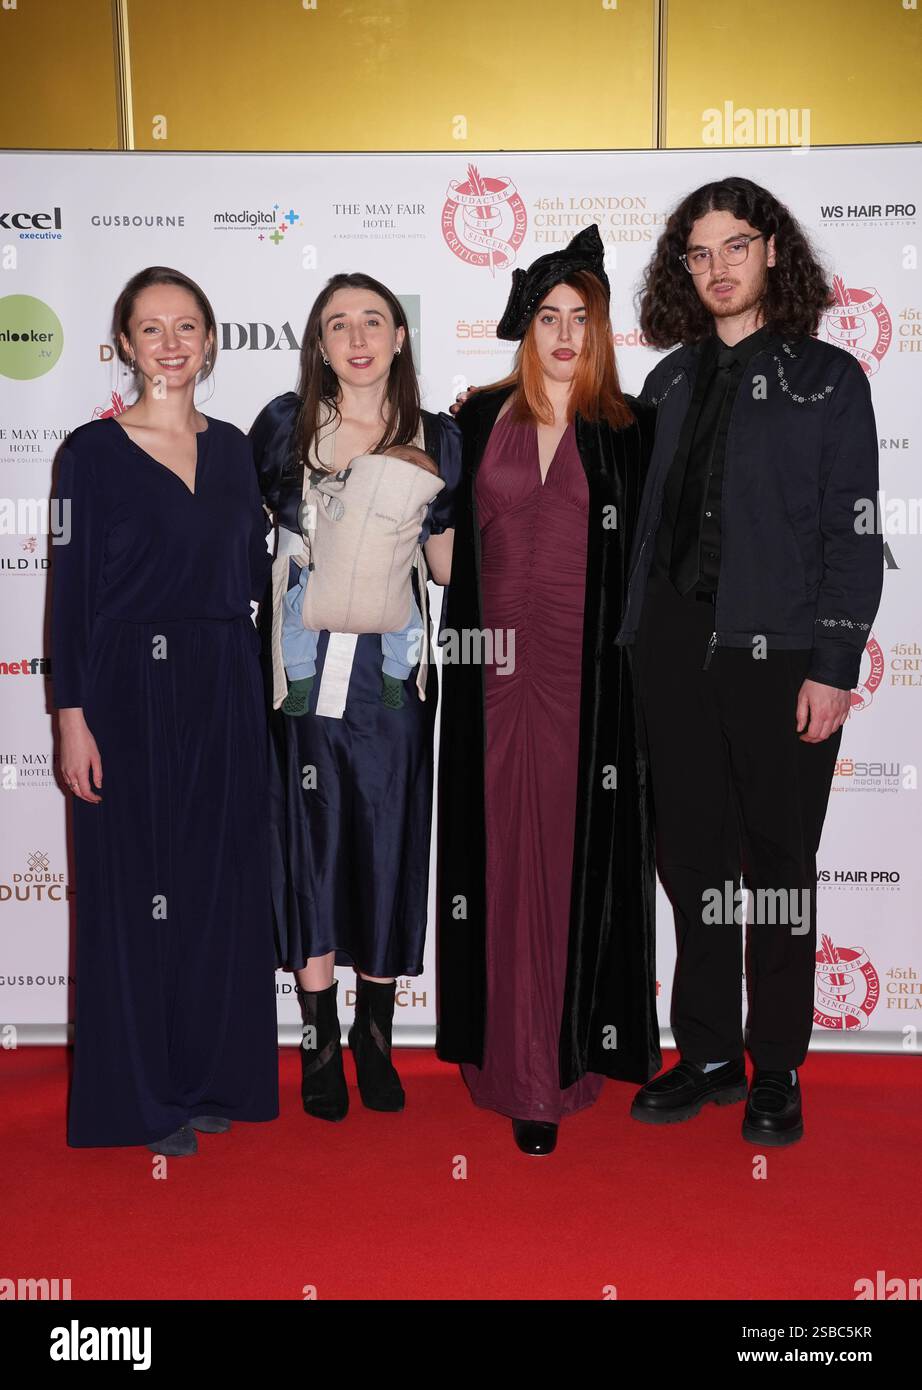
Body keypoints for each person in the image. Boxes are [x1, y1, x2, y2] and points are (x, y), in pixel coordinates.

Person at [617, 177, 883, 1145]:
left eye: (735, 246)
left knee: (775, 865)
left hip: (779, 662)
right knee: (690, 864)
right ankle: (711, 1053)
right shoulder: (668, 383)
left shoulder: (829, 379)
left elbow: (854, 538)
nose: (717, 268)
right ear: (683, 271)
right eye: (698, 254)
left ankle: (777, 1066)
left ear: (772, 251)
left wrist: (833, 662)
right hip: (673, 649)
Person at [436, 224, 660, 1156]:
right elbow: (443, 552)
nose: (565, 334)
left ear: (601, 331)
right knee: (497, 867)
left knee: (568, 874)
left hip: (585, 689)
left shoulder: (633, 431)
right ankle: (503, 1064)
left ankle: (555, 1070)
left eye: (582, 318)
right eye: (549, 318)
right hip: (489, 681)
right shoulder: (477, 417)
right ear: (526, 328)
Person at [51, 266, 279, 1156]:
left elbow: (261, 574)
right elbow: (68, 594)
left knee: (216, 888)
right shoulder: (88, 453)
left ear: (212, 341)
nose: (172, 343)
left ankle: (210, 1076)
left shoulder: (234, 450)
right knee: (131, 892)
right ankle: (145, 1100)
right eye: (152, 329)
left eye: (188, 327)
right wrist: (71, 714)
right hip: (124, 689)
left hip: (222, 682)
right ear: (125, 346)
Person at [250, 272, 460, 1122]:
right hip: (302, 678)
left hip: (392, 680)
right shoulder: (281, 428)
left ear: (399, 337)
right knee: (310, 846)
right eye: (339, 325)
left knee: (387, 840)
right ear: (320, 345)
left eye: (374, 320)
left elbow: (446, 570)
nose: (359, 337)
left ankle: (375, 1036)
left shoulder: (440, 437)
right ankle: (318, 1043)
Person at [280, 443, 440, 715]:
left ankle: (300, 676)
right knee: (412, 628)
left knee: (294, 617)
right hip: (388, 606)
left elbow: (316, 502)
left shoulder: (353, 485)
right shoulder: (417, 512)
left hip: (324, 597)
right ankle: (396, 675)